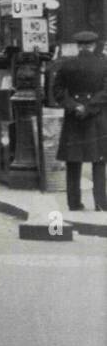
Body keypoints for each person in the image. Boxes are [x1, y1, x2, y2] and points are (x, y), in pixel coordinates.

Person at [52, 30, 107, 211]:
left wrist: (74, 106)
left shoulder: (66, 65)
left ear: (78, 46)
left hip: (73, 117)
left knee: (73, 161)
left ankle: (74, 203)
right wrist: (89, 107)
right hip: (97, 117)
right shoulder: (104, 64)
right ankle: (100, 202)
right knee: (99, 161)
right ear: (93, 45)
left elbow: (57, 91)